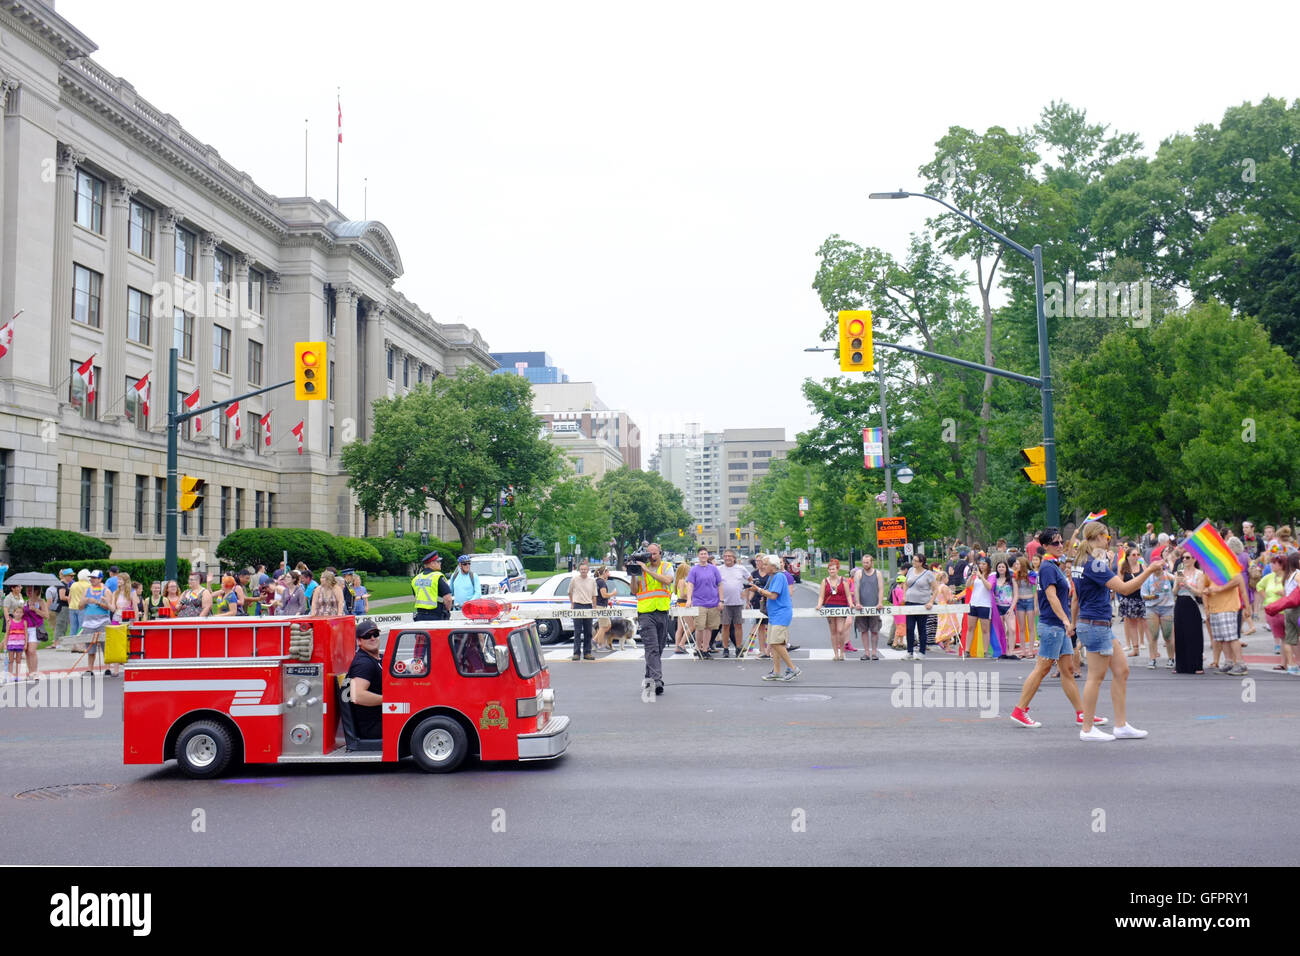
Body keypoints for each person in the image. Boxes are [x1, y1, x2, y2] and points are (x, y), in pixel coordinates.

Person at [1072, 521, 1164, 740]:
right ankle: (1087, 728)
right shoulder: (1094, 564)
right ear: (1098, 536)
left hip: (1094, 622)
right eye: (1108, 537)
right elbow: (1124, 588)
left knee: (1122, 671)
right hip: (1096, 624)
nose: (1109, 541)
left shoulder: (1082, 560)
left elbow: (1078, 594)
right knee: (1095, 677)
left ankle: (1120, 725)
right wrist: (1150, 570)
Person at [1010, 528, 1103, 729]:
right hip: (1053, 625)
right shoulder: (1048, 568)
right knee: (1042, 669)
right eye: (1055, 543)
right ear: (1045, 547)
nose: (1060, 545)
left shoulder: (1053, 565)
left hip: (1057, 626)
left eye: (1061, 542)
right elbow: (1051, 598)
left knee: (1067, 670)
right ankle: (1020, 710)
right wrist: (1066, 620)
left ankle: (1082, 714)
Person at [630, 543, 674, 695]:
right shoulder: (641, 569)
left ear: (660, 553)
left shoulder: (667, 566)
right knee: (652, 647)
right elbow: (634, 591)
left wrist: (646, 570)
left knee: (659, 648)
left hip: (662, 611)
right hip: (645, 613)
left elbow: (667, 581)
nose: (652, 557)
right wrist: (634, 574)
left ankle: (649, 678)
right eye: (649, 554)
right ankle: (657, 680)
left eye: (654, 554)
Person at [751, 554, 798, 681]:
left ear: (773, 566)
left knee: (777, 643)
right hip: (774, 614)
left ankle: (793, 668)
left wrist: (759, 590)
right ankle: (777, 671)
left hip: (781, 614)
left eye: (766, 564)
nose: (763, 566)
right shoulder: (772, 577)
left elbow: (773, 595)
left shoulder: (779, 576)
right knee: (773, 643)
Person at [1199, 558, 1247, 675]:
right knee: (1222, 638)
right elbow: (1203, 588)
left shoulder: (1227, 568)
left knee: (1231, 637)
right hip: (1215, 608)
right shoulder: (1209, 571)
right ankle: (1228, 662)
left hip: (1228, 607)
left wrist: (1219, 589)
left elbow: (1238, 579)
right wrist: (1207, 594)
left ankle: (1241, 664)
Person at [345, 619, 384, 741]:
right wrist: (389, 700)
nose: (372, 638)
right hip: (373, 726)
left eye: (375, 634)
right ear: (359, 641)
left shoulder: (379, 658)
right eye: (367, 636)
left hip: (384, 717)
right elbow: (357, 696)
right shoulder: (363, 663)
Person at [1141, 554, 1177, 668]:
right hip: (1152, 608)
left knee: (1168, 635)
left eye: (1160, 566)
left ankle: (1171, 658)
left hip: (1167, 608)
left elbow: (1176, 585)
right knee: (1153, 635)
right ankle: (1152, 659)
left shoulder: (1168, 577)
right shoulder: (1147, 579)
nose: (1158, 569)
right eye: (1155, 567)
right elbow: (1143, 595)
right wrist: (1153, 597)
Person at [686, 548, 722, 658]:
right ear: (698, 556)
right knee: (699, 627)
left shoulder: (713, 569)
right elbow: (690, 585)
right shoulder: (694, 570)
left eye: (705, 554)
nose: (703, 555)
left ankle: (705, 648)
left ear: (707, 555)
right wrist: (689, 599)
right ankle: (698, 647)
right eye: (701, 554)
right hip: (699, 602)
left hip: (713, 602)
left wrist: (721, 600)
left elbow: (720, 584)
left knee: (709, 627)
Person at [1173, 551, 1205, 674]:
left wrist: (1187, 585)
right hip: (1180, 603)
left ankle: (1196, 665)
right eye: (1183, 558)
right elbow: (1174, 592)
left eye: (1187, 557)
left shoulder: (1199, 574)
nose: (1185, 560)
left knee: (1193, 635)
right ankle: (1181, 665)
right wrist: (1177, 583)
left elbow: (1199, 592)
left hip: (1192, 604)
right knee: (1180, 634)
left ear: (1194, 559)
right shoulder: (1179, 573)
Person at [78, 570, 115, 674]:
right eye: (91, 578)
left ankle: (107, 668)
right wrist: (83, 601)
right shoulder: (87, 590)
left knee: (105, 645)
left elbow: (109, 607)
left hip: (103, 620)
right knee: (90, 647)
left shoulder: (106, 591)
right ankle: (90, 669)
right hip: (89, 621)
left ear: (100, 579)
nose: (92, 580)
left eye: (94, 578)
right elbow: (80, 607)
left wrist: (97, 602)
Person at [717, 549, 752, 658]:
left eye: (730, 556)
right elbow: (715, 584)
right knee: (725, 626)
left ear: (734, 558)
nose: (727, 558)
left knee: (738, 625)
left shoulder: (741, 569)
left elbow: (750, 580)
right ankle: (726, 648)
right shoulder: (719, 569)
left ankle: (738, 647)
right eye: (725, 556)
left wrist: (745, 592)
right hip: (725, 602)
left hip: (738, 602)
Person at [817, 558, 853, 661]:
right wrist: (819, 605)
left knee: (840, 630)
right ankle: (835, 654)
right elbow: (821, 596)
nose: (832, 571)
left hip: (841, 606)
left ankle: (842, 651)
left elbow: (848, 595)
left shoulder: (843, 580)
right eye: (830, 569)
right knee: (833, 631)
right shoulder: (825, 581)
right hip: (829, 606)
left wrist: (851, 603)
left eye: (833, 569)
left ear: (837, 569)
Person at [903, 553, 936, 660]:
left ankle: (922, 651)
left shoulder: (928, 574)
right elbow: (906, 583)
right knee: (909, 628)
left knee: (921, 628)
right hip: (910, 602)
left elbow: (935, 589)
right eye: (913, 560)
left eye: (916, 561)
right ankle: (909, 651)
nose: (914, 562)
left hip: (922, 603)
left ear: (921, 562)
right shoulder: (911, 571)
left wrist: (931, 601)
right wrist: (904, 595)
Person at [852, 553, 885, 661]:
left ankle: (874, 652)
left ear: (872, 562)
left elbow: (881, 588)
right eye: (864, 562)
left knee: (875, 630)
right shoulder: (859, 573)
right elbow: (856, 588)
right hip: (862, 607)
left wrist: (880, 602)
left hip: (874, 606)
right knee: (864, 630)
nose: (865, 564)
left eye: (867, 562)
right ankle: (866, 653)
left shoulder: (878, 574)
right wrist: (857, 603)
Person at [1117, 548, 1148, 657]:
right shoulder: (1123, 566)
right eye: (1134, 555)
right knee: (1132, 624)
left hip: (1141, 598)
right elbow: (1119, 582)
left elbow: (1147, 577)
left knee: (1145, 623)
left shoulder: (1141, 564)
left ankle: (1152, 648)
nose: (1136, 556)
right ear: (1128, 556)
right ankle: (1135, 648)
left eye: (1138, 554)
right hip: (1129, 598)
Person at [569, 559, 597, 661]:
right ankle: (576, 653)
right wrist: (572, 604)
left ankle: (587, 653)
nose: (583, 571)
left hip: (588, 606)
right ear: (579, 570)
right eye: (581, 569)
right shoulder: (574, 580)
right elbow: (570, 592)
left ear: (588, 570)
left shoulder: (592, 581)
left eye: (585, 569)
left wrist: (594, 606)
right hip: (577, 605)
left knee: (588, 631)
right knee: (577, 631)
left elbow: (594, 595)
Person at [411, 552, 452, 621]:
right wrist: (447, 611)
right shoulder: (438, 577)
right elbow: (448, 599)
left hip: (420, 616)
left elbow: (416, 597)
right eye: (438, 561)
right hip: (436, 616)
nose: (440, 563)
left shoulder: (416, 579)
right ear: (432, 563)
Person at [1012, 557, 1037, 658]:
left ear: (1022, 564)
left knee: (1031, 627)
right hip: (1020, 602)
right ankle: (1023, 650)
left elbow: (1036, 590)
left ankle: (1030, 650)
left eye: (1018, 564)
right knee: (1021, 627)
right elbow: (1015, 591)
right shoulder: (1016, 575)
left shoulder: (1032, 574)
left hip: (1030, 600)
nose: (1016, 566)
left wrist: (1035, 605)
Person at [993, 561, 1015, 658]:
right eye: (999, 567)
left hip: (1009, 607)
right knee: (1001, 630)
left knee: (1012, 629)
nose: (1001, 568)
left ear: (1006, 568)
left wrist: (1012, 607)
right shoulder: (994, 580)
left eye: (1003, 567)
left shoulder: (1011, 580)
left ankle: (1011, 651)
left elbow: (1016, 595)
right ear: (997, 569)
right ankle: (1004, 651)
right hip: (998, 607)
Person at [671, 562, 694, 653]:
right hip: (683, 604)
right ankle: (682, 643)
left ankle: (677, 647)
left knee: (680, 628)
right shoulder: (682, 581)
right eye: (688, 570)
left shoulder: (679, 581)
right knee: (692, 626)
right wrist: (690, 595)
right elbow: (681, 595)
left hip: (680, 604)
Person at [593, 566, 615, 652]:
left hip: (601, 605)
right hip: (600, 606)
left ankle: (595, 640)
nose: (609, 574)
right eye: (607, 572)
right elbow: (604, 595)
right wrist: (613, 593)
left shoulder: (599, 581)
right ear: (604, 573)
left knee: (608, 625)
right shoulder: (601, 582)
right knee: (604, 626)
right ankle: (599, 644)